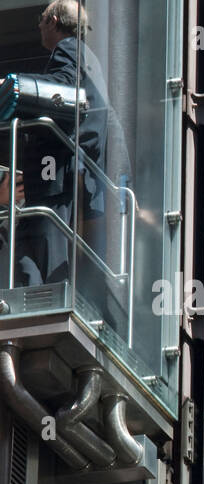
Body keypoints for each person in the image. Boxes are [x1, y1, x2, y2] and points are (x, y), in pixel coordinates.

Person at [4, 1, 124, 287]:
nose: (38, 26)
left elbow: (63, 89)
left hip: (56, 174)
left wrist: (14, 88)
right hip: (70, 173)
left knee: (36, 240)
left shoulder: (68, 51)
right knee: (43, 242)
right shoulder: (90, 58)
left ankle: (39, 303)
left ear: (53, 20)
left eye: (41, 19)